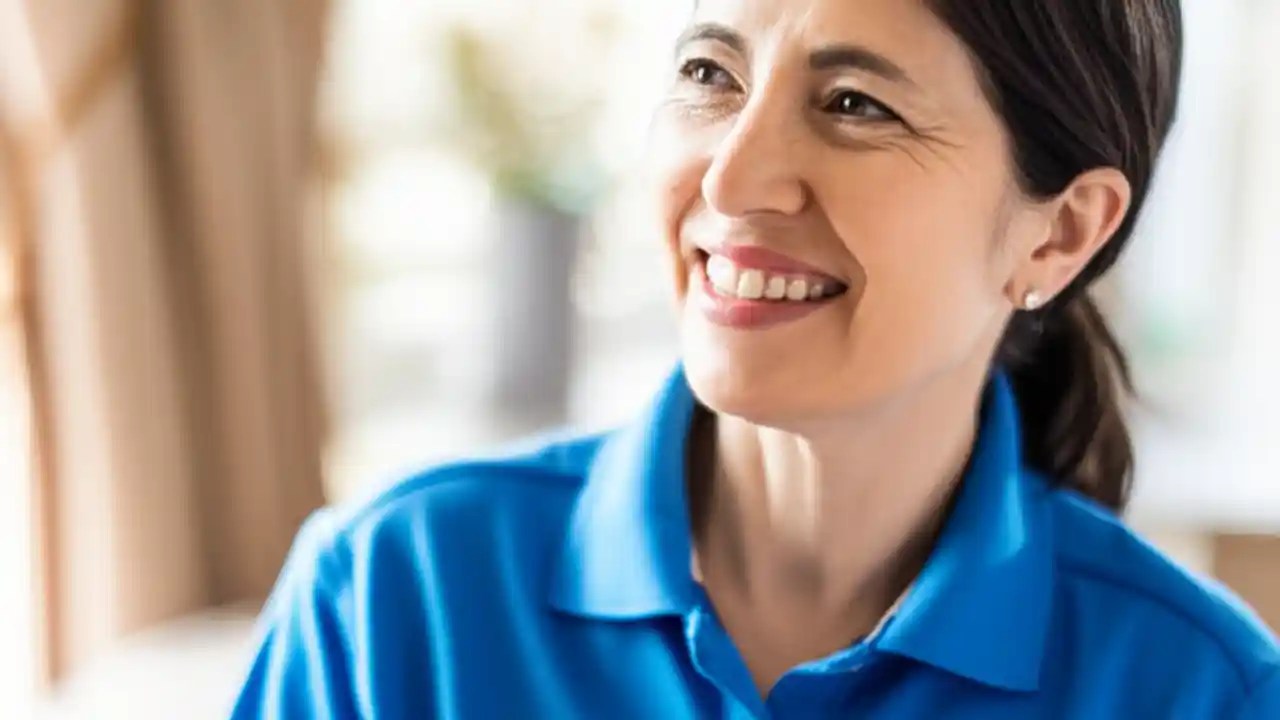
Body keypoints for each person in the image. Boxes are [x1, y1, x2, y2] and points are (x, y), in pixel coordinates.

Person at [230, 0, 1280, 717]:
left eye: (853, 106)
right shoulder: (393, 596)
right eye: (708, 74)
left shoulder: (1199, 689)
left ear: (1057, 235)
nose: (731, 181)